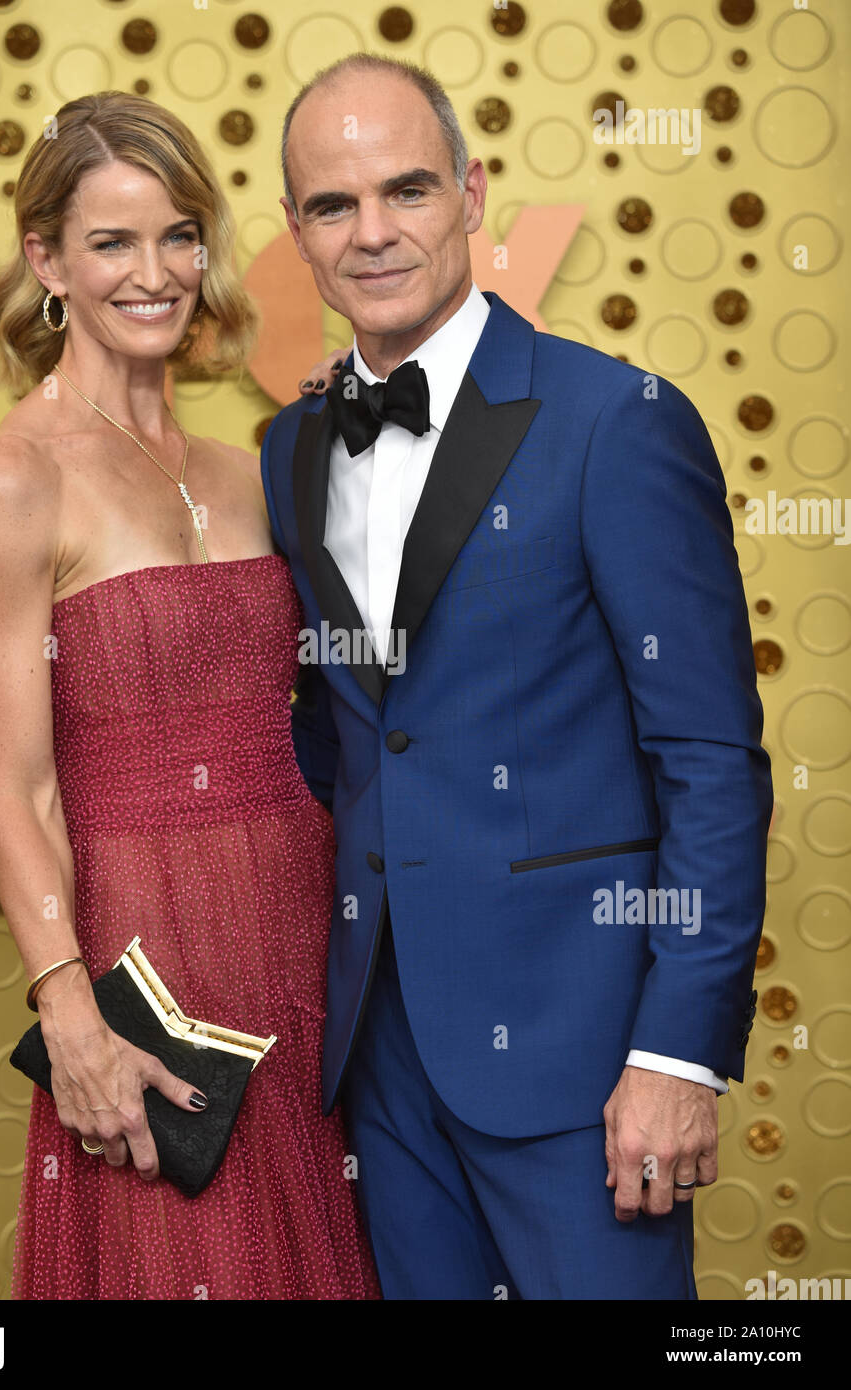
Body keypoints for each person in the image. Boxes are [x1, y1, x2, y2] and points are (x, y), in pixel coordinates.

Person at [261, 53, 774, 1300]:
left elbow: (709, 763)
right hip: (379, 1057)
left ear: (472, 193)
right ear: (295, 233)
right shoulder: (287, 447)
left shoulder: (615, 420)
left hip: (585, 1057)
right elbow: (343, 735)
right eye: (332, 205)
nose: (372, 232)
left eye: (408, 189)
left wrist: (677, 1053)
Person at [0, 91, 379, 1300]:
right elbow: (17, 782)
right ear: (47, 260)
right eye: (112, 242)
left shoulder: (256, 470)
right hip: (149, 964)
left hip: (307, 941)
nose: (156, 272)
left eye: (179, 235)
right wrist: (70, 1016)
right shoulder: (11, 480)